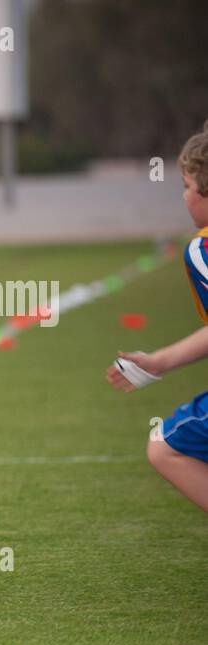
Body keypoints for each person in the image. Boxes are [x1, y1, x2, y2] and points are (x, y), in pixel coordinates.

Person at [106, 120, 208, 512]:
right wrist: (159, 361)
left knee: (164, 448)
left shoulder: (202, 249)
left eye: (186, 186)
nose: (183, 197)